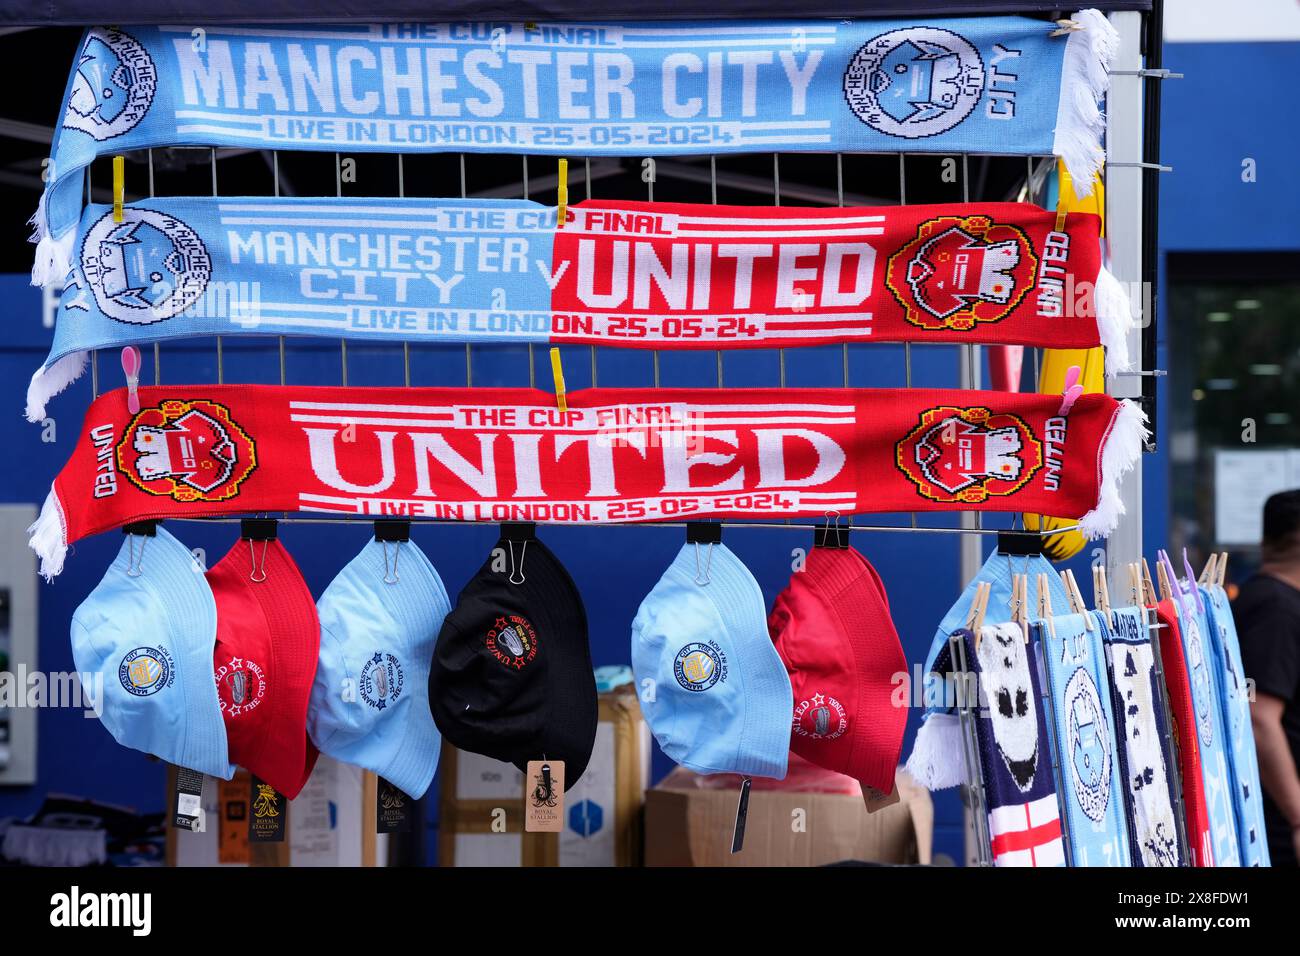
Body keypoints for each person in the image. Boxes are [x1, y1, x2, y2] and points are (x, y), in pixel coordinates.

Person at [1235, 489, 1300, 866]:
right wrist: (1296, 818)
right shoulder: (1276, 609)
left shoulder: (1269, 600)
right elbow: (1259, 717)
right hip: (1278, 827)